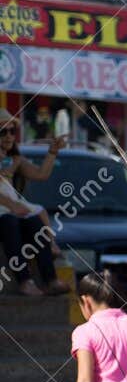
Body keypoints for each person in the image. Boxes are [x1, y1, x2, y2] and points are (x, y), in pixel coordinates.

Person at [0, 116, 67, 296]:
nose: (8, 137)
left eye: (11, 131)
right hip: (6, 214)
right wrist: (12, 205)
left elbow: (40, 174)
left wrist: (52, 152)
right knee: (10, 223)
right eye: (2, 132)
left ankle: (50, 280)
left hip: (10, 211)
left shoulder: (14, 159)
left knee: (35, 223)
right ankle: (24, 281)